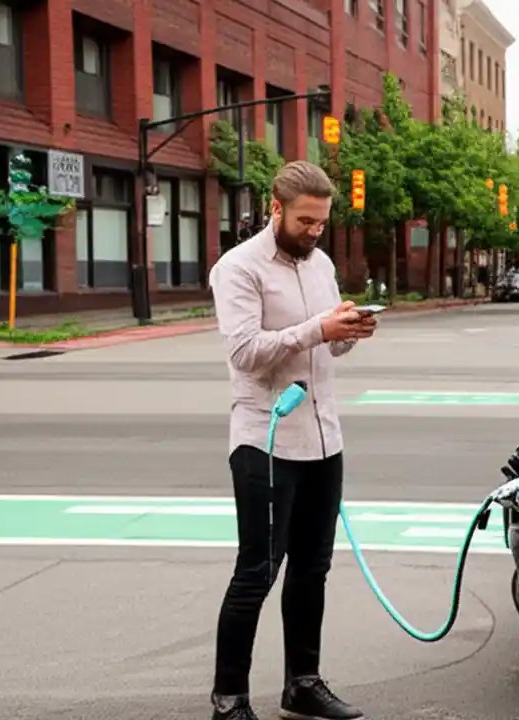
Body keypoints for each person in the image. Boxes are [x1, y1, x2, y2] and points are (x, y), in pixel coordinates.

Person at [207, 160, 377, 720]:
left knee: (312, 568)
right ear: (275, 208)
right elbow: (244, 352)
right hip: (266, 438)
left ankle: (302, 683)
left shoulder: (321, 264)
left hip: (323, 438)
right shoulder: (238, 268)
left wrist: (348, 331)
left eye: (322, 222)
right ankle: (229, 698)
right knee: (257, 570)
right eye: (305, 221)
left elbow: (326, 345)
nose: (314, 231)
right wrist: (317, 329)